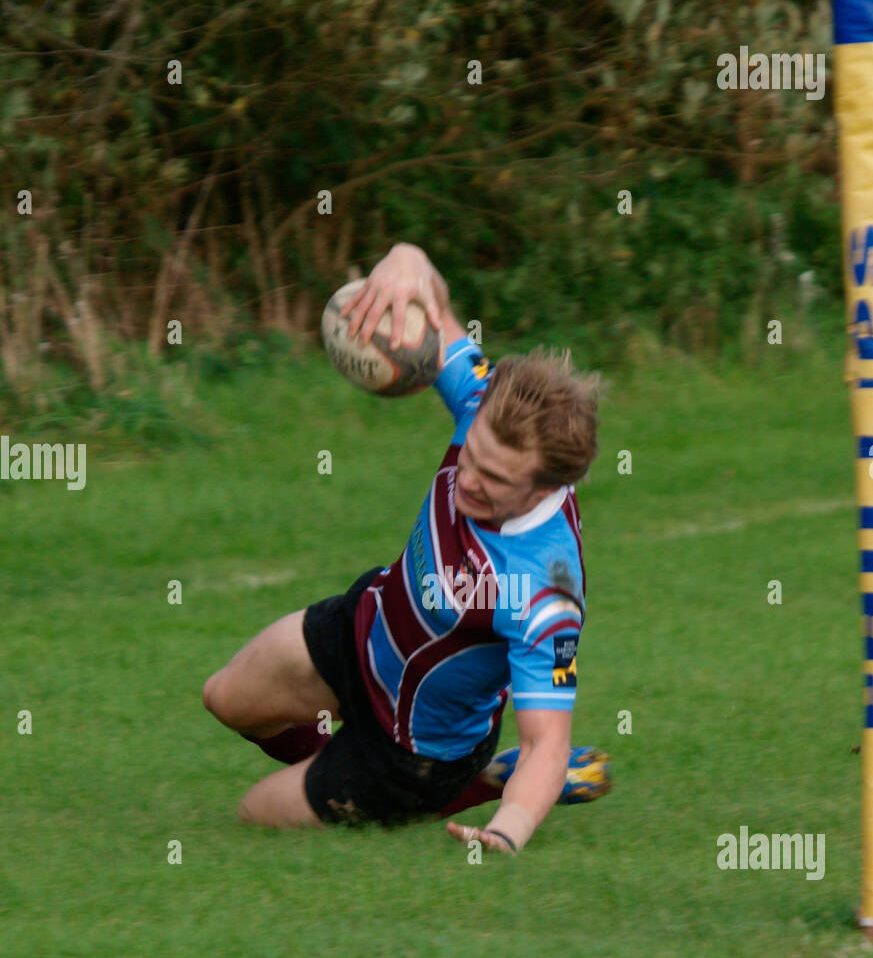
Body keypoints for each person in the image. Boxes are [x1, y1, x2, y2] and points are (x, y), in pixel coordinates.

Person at [202, 242, 610, 854]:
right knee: (225, 698)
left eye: (494, 480)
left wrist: (507, 832)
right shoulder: (486, 401)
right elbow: (433, 311)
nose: (468, 480)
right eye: (470, 458)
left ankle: (455, 789)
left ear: (547, 485)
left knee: (253, 813)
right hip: (362, 627)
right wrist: (405, 260)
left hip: (416, 749)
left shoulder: (545, 590)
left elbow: (547, 743)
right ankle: (345, 760)